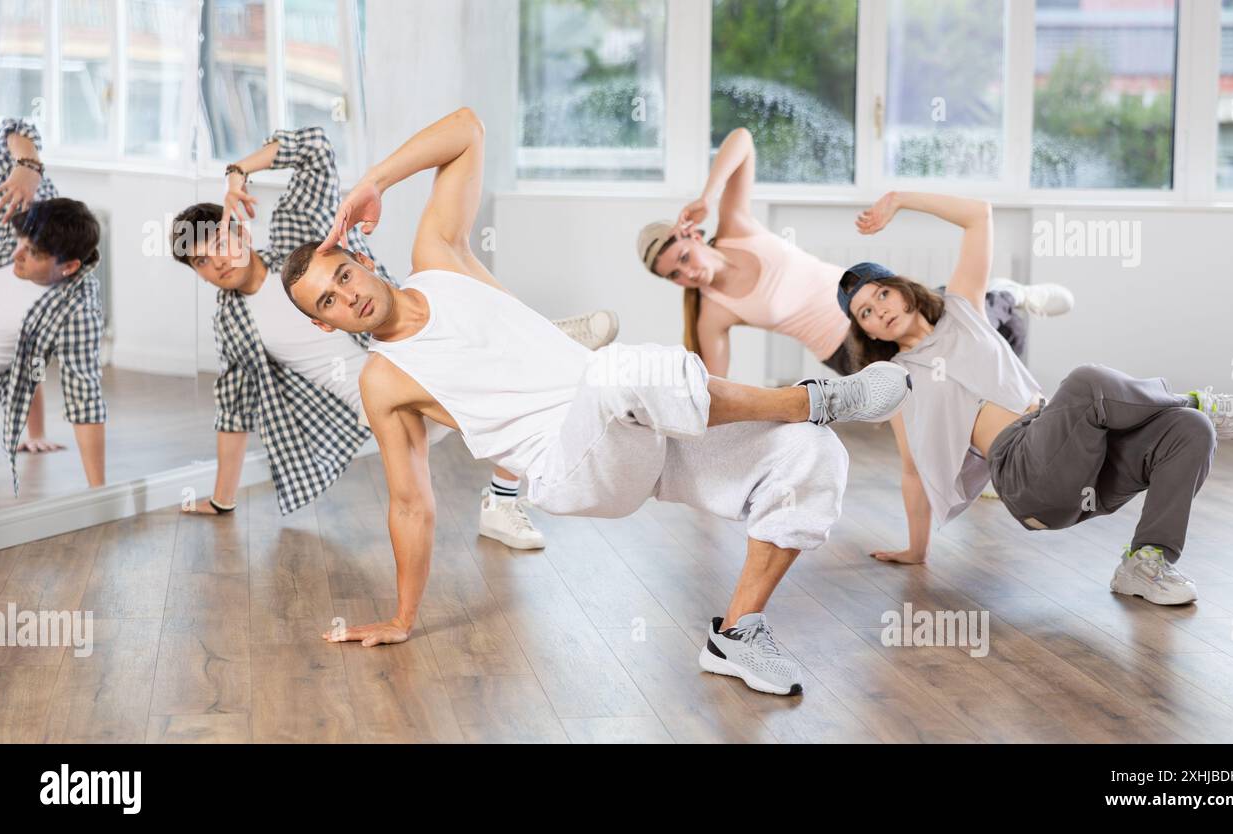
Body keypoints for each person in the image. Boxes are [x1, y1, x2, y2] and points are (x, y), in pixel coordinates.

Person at [281, 107, 911, 696]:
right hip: (568, 467)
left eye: (341, 276)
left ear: (359, 257)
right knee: (619, 368)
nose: (347, 297)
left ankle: (739, 635)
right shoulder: (384, 378)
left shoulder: (439, 258)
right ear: (324, 326)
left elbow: (468, 127)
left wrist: (375, 180)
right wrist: (402, 615)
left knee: (811, 455)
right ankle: (811, 398)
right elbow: (410, 502)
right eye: (327, 303)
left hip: (640, 430)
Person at [169, 125, 617, 548]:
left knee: (481, 354)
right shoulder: (232, 326)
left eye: (221, 244)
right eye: (202, 262)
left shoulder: (299, 242)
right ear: (197, 275)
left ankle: (504, 494)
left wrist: (238, 171)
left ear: (240, 229)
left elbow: (315, 148)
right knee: (495, 380)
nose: (219, 262)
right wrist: (223, 498)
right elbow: (234, 407)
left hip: (414, 342)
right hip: (375, 406)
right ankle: (546, 341)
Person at [840, 189, 1233, 605]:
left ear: (902, 289)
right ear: (869, 333)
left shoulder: (962, 310)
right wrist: (917, 550)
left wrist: (899, 199)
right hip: (1027, 479)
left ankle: (1146, 562)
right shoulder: (897, 380)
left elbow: (979, 215)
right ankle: (1192, 399)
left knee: (1191, 431)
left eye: (882, 294)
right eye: (866, 313)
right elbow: (913, 472)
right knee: (1086, 381)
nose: (881, 310)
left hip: (1086, 467)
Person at [635, 127, 1074, 378]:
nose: (686, 275)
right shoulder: (714, 314)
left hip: (878, 302)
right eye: (673, 276)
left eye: (683, 259)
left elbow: (744, 139)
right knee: (949, 367)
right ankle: (1002, 299)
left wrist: (709, 194)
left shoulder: (735, 228)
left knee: (972, 332)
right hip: (851, 352)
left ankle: (1003, 299)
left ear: (691, 235)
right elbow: (718, 384)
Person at [0, 119, 106, 491]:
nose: (18, 255)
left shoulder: (74, 309)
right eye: (20, 242)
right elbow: (15, 131)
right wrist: (27, 166)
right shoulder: (22, 238)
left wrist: (97, 494)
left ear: (68, 267)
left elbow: (84, 395)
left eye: (31, 251)